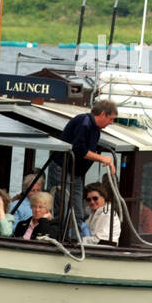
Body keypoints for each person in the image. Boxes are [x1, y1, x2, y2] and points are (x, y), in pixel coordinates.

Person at [52, 99, 118, 234]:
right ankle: (58, 236)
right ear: (103, 114)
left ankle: (75, 241)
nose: (111, 123)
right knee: (63, 208)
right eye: (111, 119)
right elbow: (79, 149)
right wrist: (103, 159)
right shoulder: (84, 123)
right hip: (63, 169)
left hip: (76, 173)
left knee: (77, 211)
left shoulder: (96, 129)